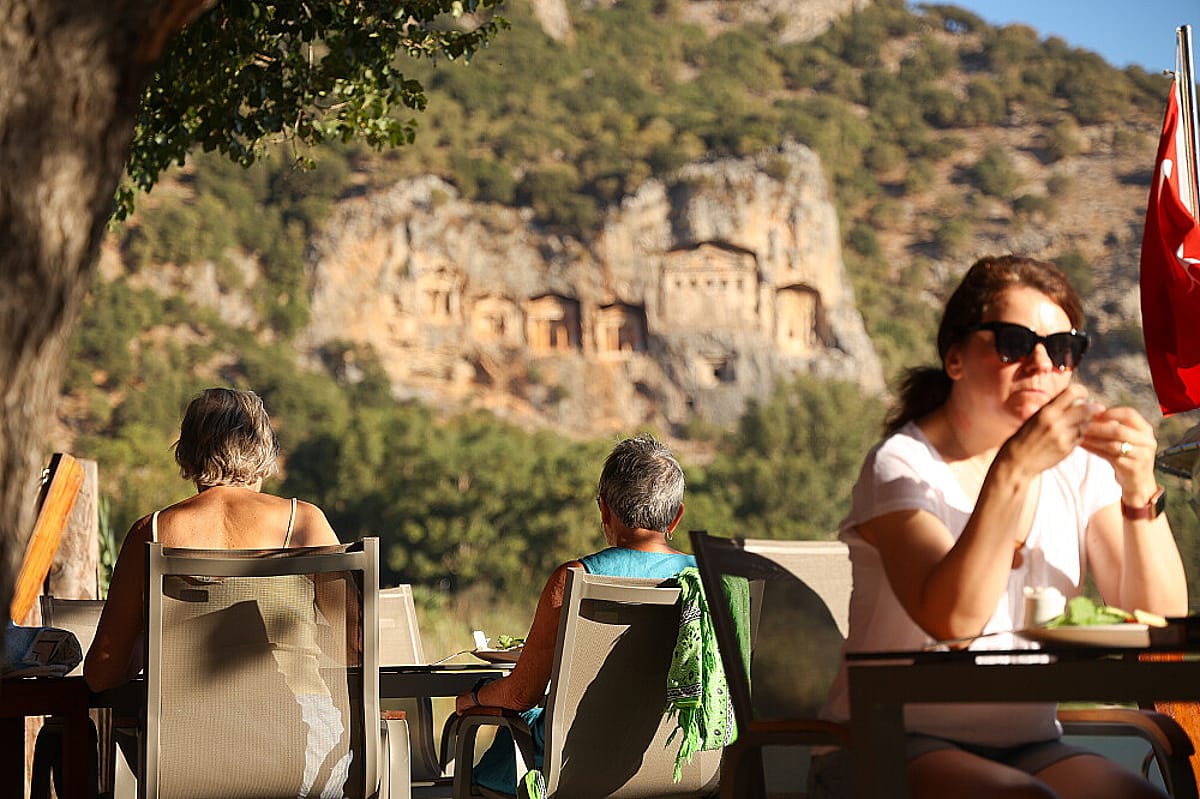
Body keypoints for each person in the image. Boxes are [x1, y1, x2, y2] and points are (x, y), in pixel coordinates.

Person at [811, 255, 1187, 799]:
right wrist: (1013, 467)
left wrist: (1136, 490)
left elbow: (1160, 617)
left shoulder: (1080, 469)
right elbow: (954, 620)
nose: (1040, 364)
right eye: (1014, 342)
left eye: (1062, 350)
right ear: (956, 358)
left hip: (1029, 744)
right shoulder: (902, 464)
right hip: (886, 740)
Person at [84, 387, 346, 796]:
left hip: (185, 750)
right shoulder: (303, 522)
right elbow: (357, 642)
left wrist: (149, 641)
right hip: (303, 749)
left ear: (187, 455)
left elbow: (101, 674)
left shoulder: (150, 533)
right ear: (264, 453)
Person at [454, 433, 694, 795]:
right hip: (682, 768)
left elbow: (521, 696)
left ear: (604, 510)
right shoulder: (711, 582)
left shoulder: (572, 581)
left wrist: (472, 699)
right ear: (675, 518)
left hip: (572, 773)